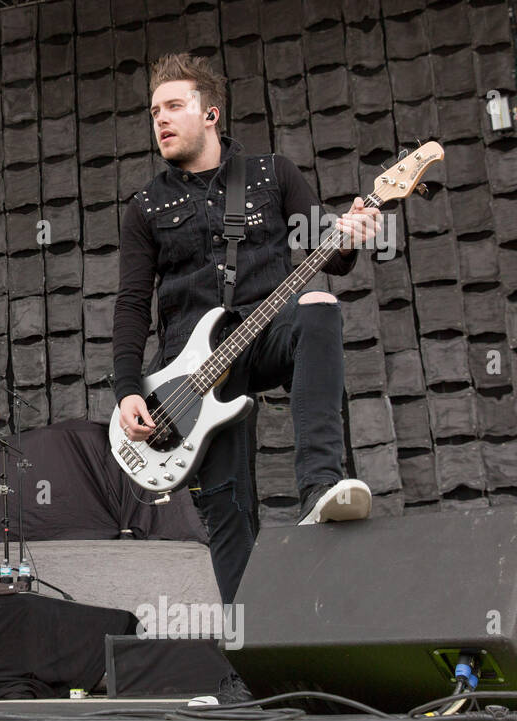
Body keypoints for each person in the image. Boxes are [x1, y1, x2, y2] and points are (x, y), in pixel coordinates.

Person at [112, 54, 382, 604]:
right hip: (189, 377)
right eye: (154, 111)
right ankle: (248, 649)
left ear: (210, 114)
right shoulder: (145, 207)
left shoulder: (272, 174)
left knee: (318, 305)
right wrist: (126, 389)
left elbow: (331, 254)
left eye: (174, 106)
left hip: (265, 335)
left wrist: (352, 234)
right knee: (230, 516)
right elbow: (132, 305)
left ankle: (320, 484)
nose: (161, 120)